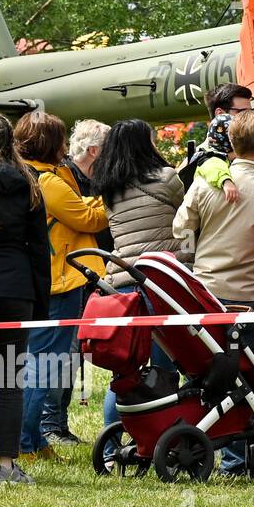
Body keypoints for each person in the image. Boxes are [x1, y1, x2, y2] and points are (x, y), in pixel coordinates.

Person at [173, 110, 254, 476]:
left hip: (205, 297)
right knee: (251, 382)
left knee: (201, 375)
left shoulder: (205, 184)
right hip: (252, 301)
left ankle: (195, 445)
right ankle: (236, 461)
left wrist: (198, 253)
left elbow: (180, 229)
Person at [15, 111, 108, 459]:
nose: (67, 147)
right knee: (46, 363)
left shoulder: (37, 174)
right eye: (62, 140)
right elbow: (89, 217)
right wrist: (108, 196)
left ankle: (35, 440)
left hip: (44, 279)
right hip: (59, 282)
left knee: (36, 361)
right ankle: (25, 442)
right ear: (51, 144)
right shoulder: (47, 181)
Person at [89, 119, 186, 448]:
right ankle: (163, 438)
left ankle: (115, 443)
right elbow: (185, 218)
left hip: (119, 283)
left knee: (125, 371)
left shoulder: (109, 188)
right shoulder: (167, 178)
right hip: (158, 283)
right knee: (163, 365)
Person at [0, 113, 50, 483]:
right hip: (14, 290)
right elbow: (40, 249)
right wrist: (39, 303)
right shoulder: (29, 183)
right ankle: (7, 466)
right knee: (10, 380)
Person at [48, 118, 111, 443]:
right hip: (66, 279)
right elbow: (87, 217)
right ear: (93, 150)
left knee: (71, 353)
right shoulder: (62, 178)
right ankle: (51, 425)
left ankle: (56, 424)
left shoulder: (86, 179)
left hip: (88, 277)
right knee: (63, 352)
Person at [177, 83, 252, 189]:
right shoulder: (196, 162)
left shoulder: (253, 150)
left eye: (251, 112)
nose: (250, 118)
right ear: (220, 114)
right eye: (242, 112)